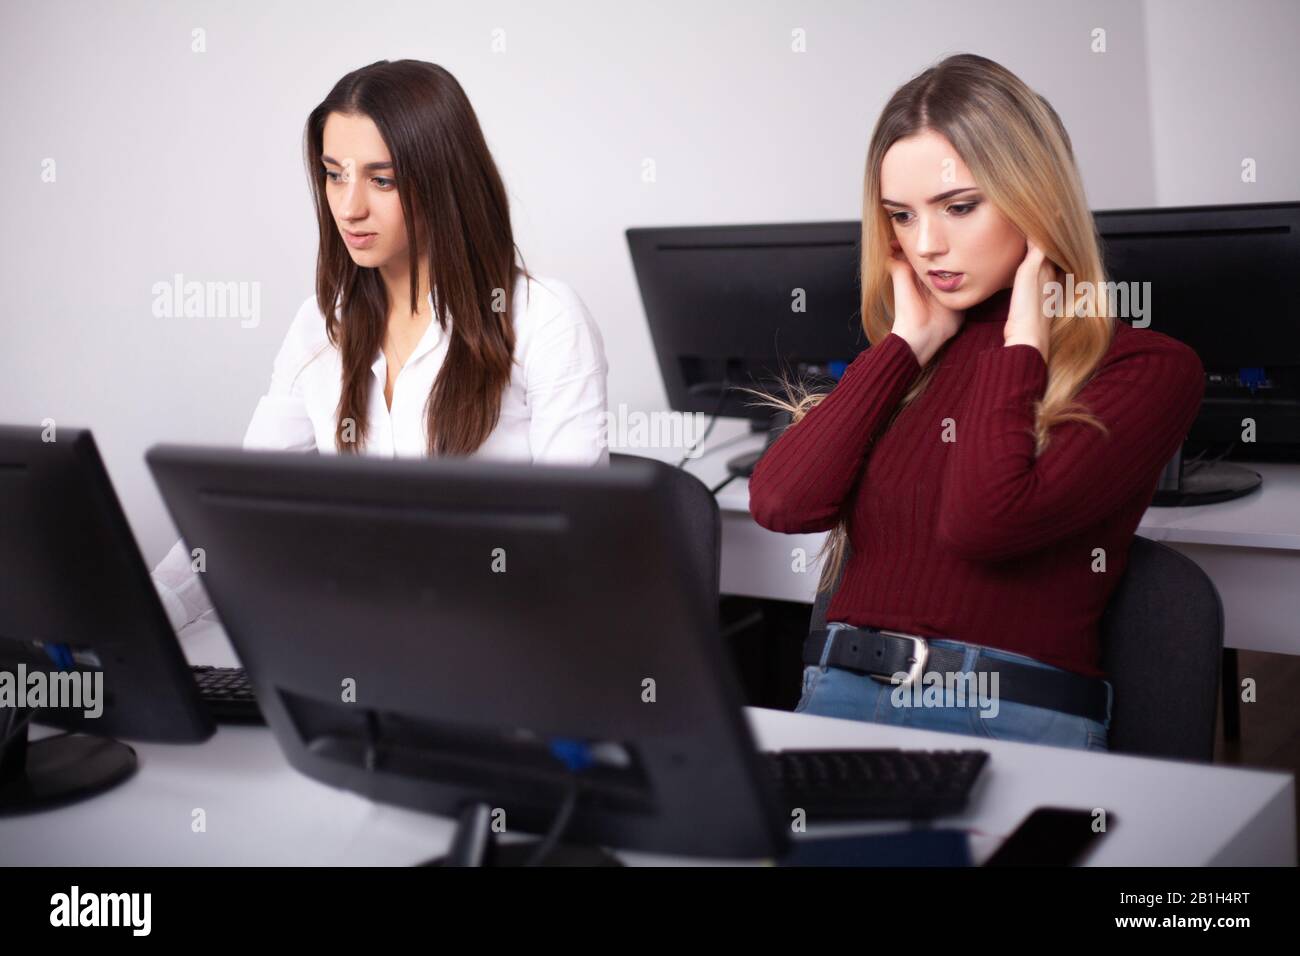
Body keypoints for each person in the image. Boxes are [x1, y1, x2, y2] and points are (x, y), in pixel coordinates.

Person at [746, 53, 1205, 752]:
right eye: (902, 215)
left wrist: (1024, 337)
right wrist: (903, 344)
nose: (927, 245)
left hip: (1005, 712)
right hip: (835, 694)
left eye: (959, 207)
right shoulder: (912, 360)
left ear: (1037, 200)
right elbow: (781, 503)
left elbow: (984, 523)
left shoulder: (1147, 368)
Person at [152, 59, 608, 632]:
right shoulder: (323, 323)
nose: (349, 206)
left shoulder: (544, 319)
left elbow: (578, 547)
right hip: (360, 652)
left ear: (445, 181)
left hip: (499, 656)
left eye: (381, 179)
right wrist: (149, 609)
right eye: (334, 173)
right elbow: (237, 514)